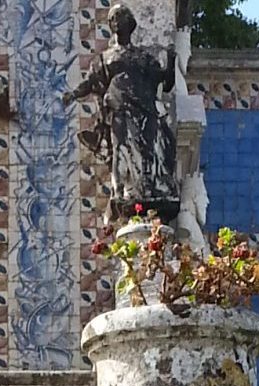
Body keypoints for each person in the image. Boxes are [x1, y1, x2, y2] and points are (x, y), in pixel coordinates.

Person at [67, 6, 179, 223]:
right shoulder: (105, 58)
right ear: (111, 25)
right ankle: (121, 192)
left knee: (148, 150)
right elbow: (90, 82)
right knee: (121, 149)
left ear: (130, 23)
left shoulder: (143, 58)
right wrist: (72, 94)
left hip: (145, 110)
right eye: (113, 18)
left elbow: (166, 84)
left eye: (121, 17)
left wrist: (172, 60)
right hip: (119, 111)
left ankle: (147, 189)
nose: (117, 21)